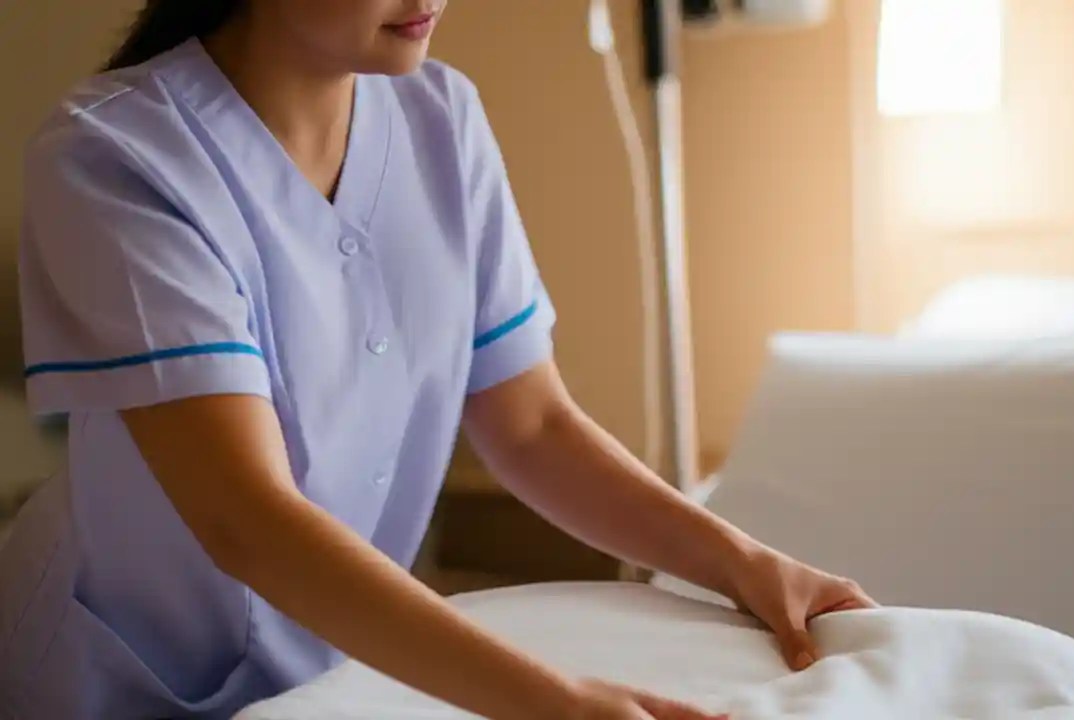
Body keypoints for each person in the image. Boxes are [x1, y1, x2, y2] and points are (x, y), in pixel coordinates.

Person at [0, 1, 877, 718]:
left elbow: (530, 425)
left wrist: (747, 566)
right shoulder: (117, 157)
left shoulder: (442, 120)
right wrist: (557, 705)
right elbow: (245, 519)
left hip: (335, 675)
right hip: (107, 686)